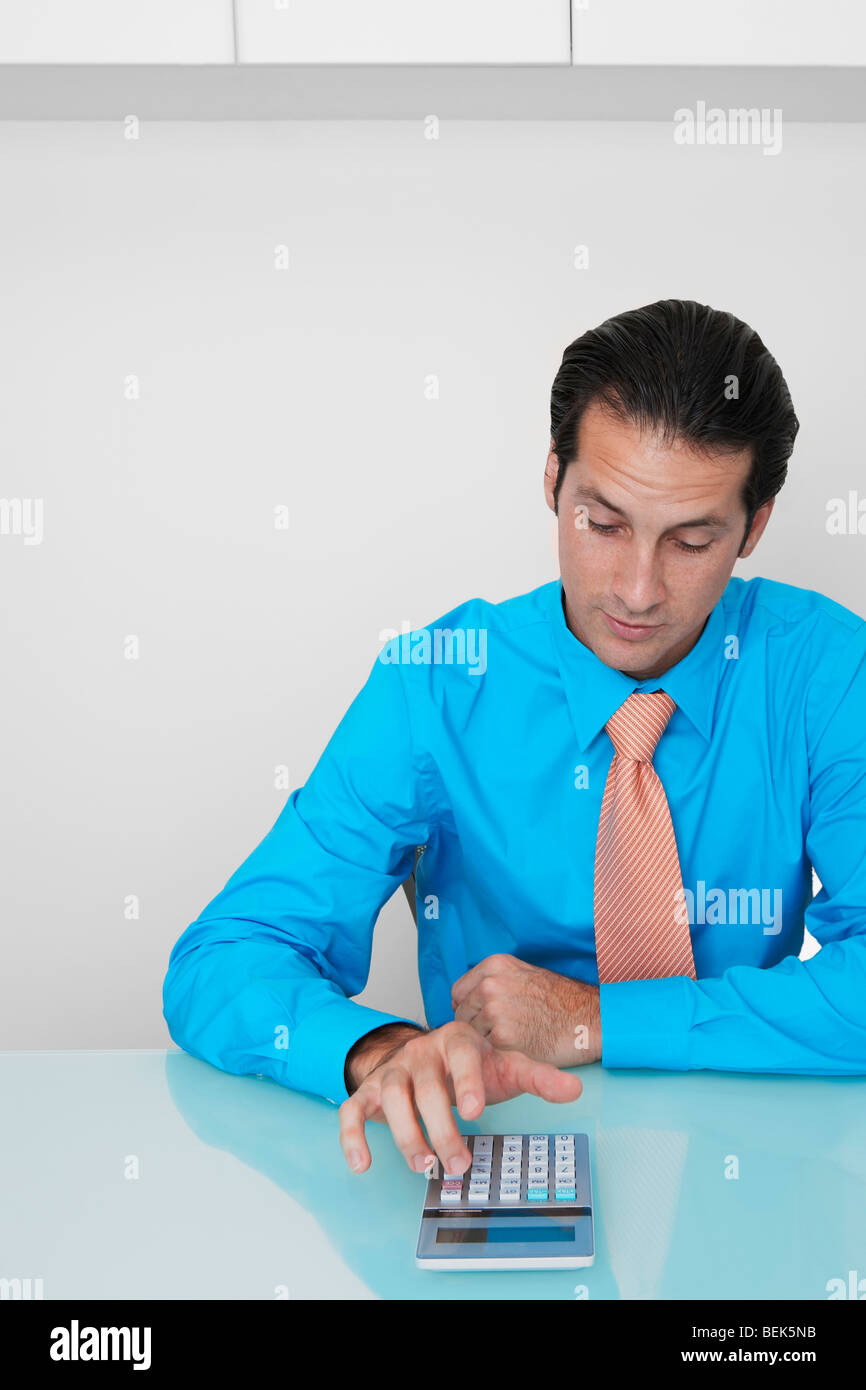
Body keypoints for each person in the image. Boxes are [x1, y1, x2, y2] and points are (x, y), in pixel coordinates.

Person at [163, 299, 866, 1184]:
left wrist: (595, 1019)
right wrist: (379, 1050)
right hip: (494, 1161)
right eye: (602, 524)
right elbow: (223, 957)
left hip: (749, 1168)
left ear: (755, 526)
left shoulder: (828, 674)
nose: (638, 589)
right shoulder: (436, 686)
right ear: (552, 480)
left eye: (691, 541)